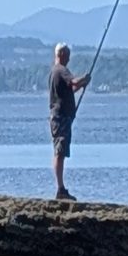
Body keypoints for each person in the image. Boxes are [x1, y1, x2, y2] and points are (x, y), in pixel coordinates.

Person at [48, 43, 90, 201]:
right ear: (62, 54)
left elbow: (71, 89)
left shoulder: (54, 71)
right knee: (60, 151)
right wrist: (84, 79)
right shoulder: (61, 70)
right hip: (61, 117)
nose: (70, 58)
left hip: (58, 117)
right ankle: (60, 189)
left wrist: (81, 85)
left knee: (60, 151)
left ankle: (61, 188)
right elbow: (74, 82)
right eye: (68, 54)